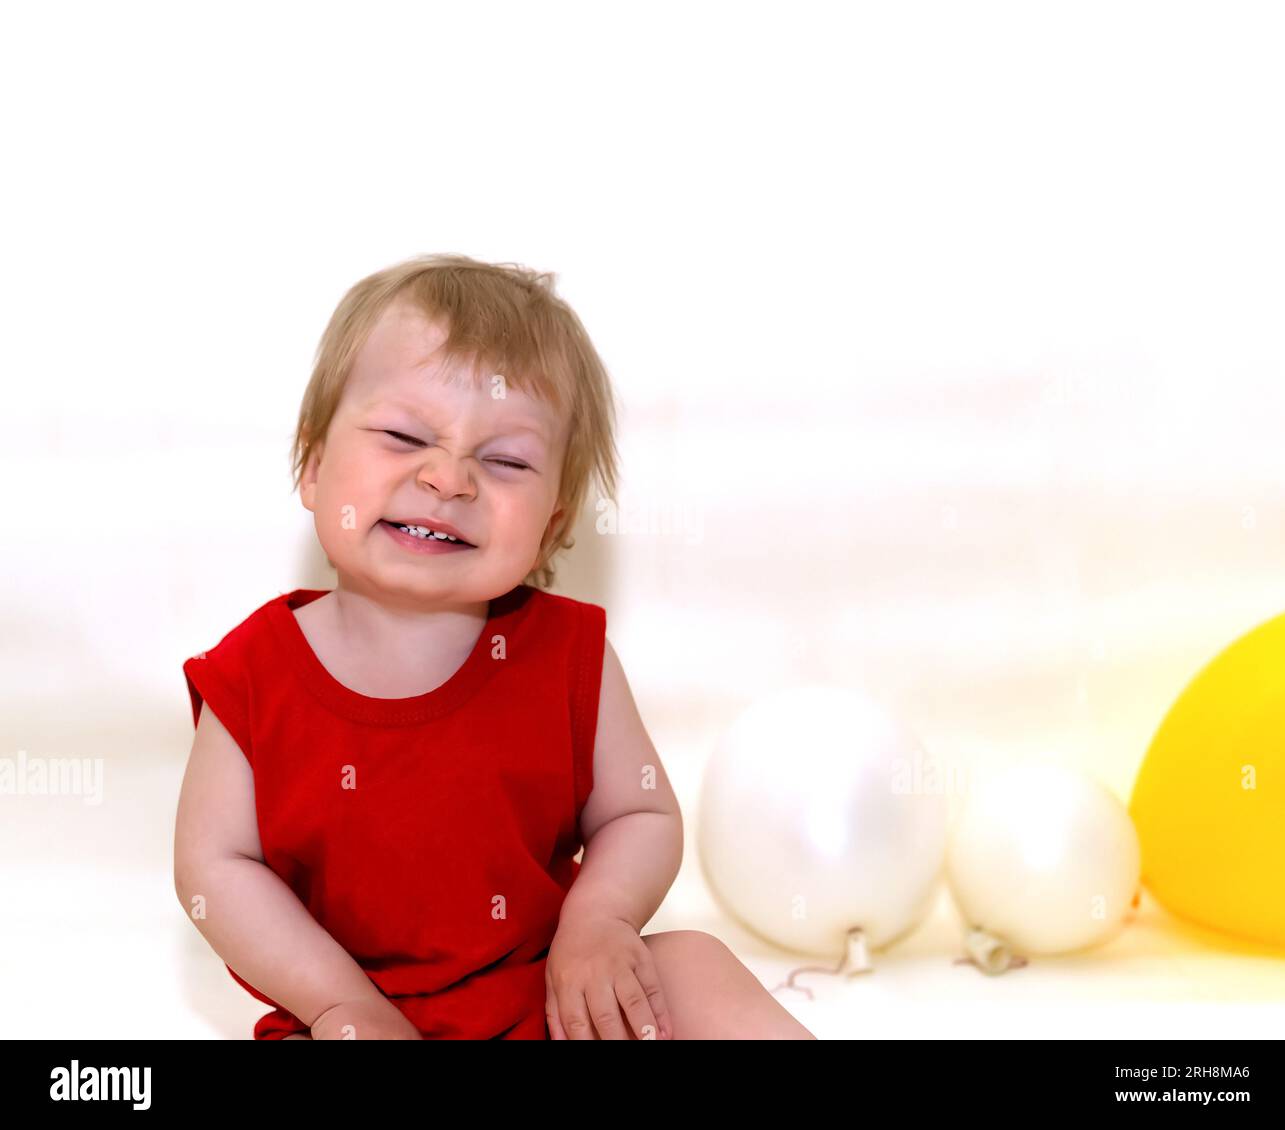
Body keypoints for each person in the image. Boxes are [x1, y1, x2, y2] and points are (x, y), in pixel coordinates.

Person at [173, 253, 815, 1040]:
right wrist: (339, 1003)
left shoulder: (568, 655)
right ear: (312, 464)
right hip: (355, 1017)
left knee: (692, 969)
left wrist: (599, 924)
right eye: (405, 435)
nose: (448, 479)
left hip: (553, 993)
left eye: (505, 460)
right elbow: (215, 869)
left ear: (550, 526)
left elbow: (640, 812)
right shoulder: (252, 676)